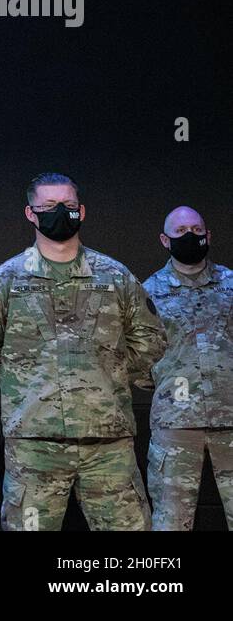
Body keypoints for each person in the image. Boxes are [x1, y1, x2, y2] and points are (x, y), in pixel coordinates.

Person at [0, 172, 165, 531]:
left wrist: (108, 376)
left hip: (107, 441)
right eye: (50, 206)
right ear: (30, 213)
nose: (60, 213)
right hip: (35, 444)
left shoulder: (114, 276)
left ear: (81, 212)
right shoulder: (7, 279)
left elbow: (150, 336)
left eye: (68, 206)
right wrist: (17, 385)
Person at [142, 205, 232, 530]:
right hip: (175, 423)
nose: (190, 236)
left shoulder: (232, 285)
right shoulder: (148, 293)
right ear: (165, 240)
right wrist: (168, 387)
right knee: (170, 522)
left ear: (208, 235)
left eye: (196, 229)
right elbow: (138, 360)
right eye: (180, 232)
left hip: (232, 417)